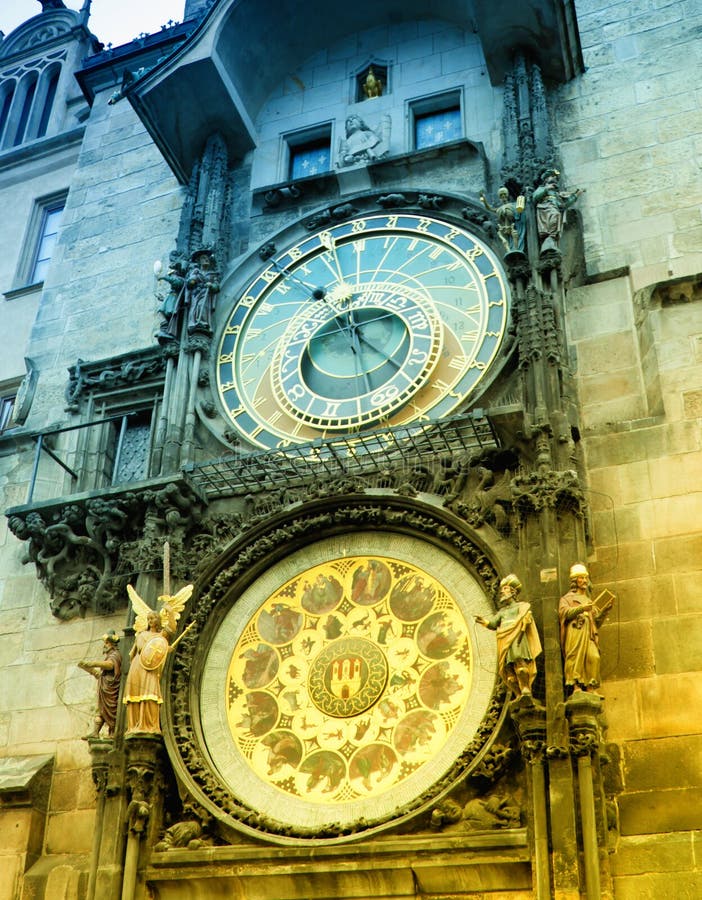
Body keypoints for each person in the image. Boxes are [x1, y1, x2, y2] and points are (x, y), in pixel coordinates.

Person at [475, 574, 542, 696]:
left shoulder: (521, 607)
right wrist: (483, 622)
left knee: (519, 661)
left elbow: (526, 617)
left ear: (513, 591)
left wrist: (527, 619)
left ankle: (526, 687)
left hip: (517, 636)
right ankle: (518, 691)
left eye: (505, 589)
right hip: (504, 639)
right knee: (508, 668)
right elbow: (493, 623)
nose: (502, 592)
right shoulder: (502, 612)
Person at [558, 563, 614, 693]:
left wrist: (605, 611)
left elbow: (596, 622)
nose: (584, 581)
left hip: (589, 633)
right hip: (575, 632)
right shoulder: (566, 599)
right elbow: (564, 613)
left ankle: (590, 686)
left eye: (585, 578)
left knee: (594, 657)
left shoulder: (589, 600)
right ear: (574, 581)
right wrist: (582, 608)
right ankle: (576, 686)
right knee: (575, 657)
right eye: (581, 578)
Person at [123, 611, 171, 734]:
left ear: (158, 620)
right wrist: (158, 648)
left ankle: (150, 725)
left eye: (153, 618)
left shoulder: (160, 636)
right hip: (139, 665)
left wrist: (169, 612)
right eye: (148, 618)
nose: (150, 621)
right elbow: (140, 648)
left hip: (151, 668)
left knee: (151, 693)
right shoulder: (142, 634)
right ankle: (135, 725)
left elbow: (171, 628)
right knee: (137, 693)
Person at [78, 630, 122, 737]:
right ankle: (95, 732)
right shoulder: (109, 656)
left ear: (112, 644)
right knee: (100, 711)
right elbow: (100, 675)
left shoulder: (115, 655)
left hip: (111, 691)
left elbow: (110, 665)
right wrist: (88, 669)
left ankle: (112, 733)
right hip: (104, 689)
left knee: (109, 711)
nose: (105, 645)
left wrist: (92, 663)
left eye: (107, 643)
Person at [532, 169, 584, 254]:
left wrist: (575, 196)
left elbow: (563, 205)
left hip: (554, 207)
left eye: (555, 177)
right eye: (552, 176)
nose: (554, 178)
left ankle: (551, 239)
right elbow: (535, 197)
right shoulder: (542, 188)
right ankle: (549, 239)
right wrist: (546, 189)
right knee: (555, 215)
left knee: (557, 216)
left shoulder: (556, 194)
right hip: (545, 208)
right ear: (546, 179)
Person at [479, 187, 525, 254]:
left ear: (507, 195)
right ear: (499, 197)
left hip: (513, 226)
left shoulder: (513, 205)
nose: (503, 196)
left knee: (514, 236)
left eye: (504, 194)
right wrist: (484, 200)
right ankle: (510, 251)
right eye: (501, 195)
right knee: (506, 240)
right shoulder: (500, 209)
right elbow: (489, 208)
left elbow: (519, 213)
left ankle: (516, 249)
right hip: (504, 228)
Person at [185, 249, 220, 334]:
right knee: (194, 307)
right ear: (199, 261)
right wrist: (192, 279)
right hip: (196, 293)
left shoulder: (212, 274)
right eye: (203, 258)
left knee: (202, 306)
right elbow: (189, 284)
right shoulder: (196, 272)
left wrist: (211, 285)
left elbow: (217, 287)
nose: (206, 259)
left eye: (207, 258)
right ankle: (193, 322)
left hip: (206, 293)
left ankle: (202, 321)